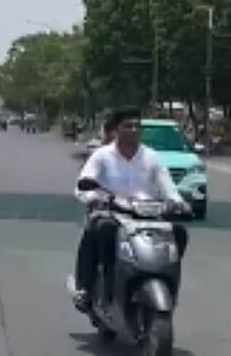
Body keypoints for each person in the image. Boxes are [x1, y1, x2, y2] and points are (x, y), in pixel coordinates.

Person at [71, 107, 190, 311]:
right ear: (116, 130)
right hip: (112, 213)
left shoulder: (151, 157)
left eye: (137, 126)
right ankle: (88, 287)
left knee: (178, 232)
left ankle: (169, 284)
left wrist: (178, 202)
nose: (133, 130)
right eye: (128, 126)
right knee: (100, 229)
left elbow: (167, 186)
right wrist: (94, 199)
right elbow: (83, 184)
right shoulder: (102, 156)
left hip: (148, 215)